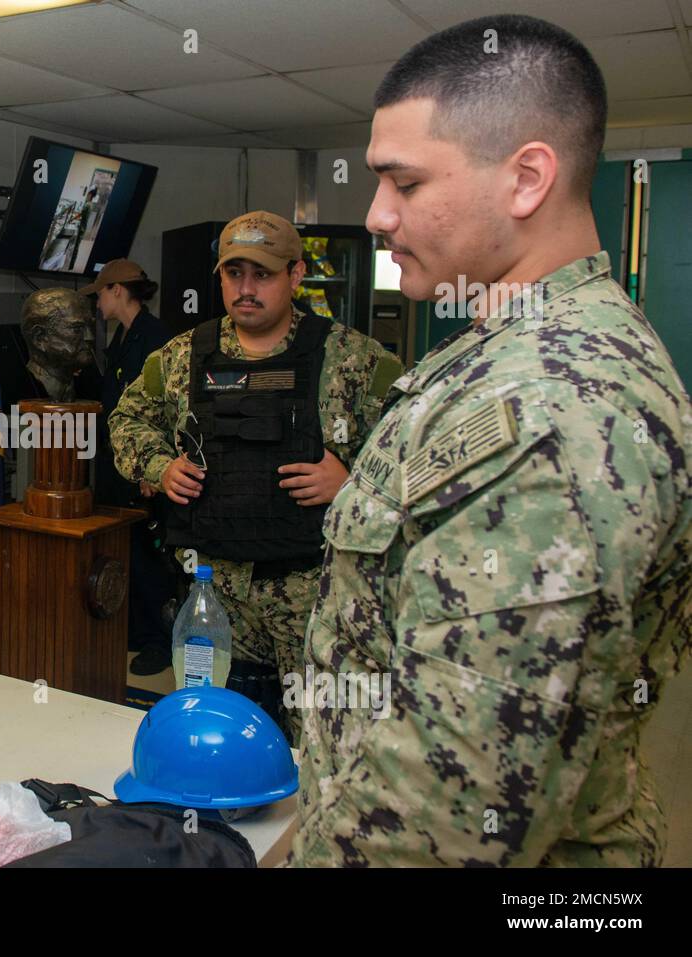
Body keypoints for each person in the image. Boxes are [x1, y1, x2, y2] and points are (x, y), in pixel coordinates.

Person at [290, 14, 692, 866]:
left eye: (403, 182)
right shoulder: (504, 351)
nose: (375, 215)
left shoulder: (554, 406)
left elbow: (452, 809)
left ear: (526, 179)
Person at [109, 211, 402, 743]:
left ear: (295, 275)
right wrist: (160, 466)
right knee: (218, 736)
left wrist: (355, 481)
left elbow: (418, 452)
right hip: (213, 595)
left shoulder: (353, 359)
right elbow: (126, 420)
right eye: (233, 273)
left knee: (327, 740)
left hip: (316, 597)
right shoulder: (181, 357)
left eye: (262, 274)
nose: (246, 289)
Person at [79, 259, 175, 673]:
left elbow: (165, 408)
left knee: (150, 559)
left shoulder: (155, 339)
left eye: (100, 292)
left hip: (142, 473)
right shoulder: (124, 337)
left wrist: (150, 469)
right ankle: (136, 630)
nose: (97, 301)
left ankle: (159, 640)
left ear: (118, 290)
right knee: (127, 553)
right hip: (117, 466)